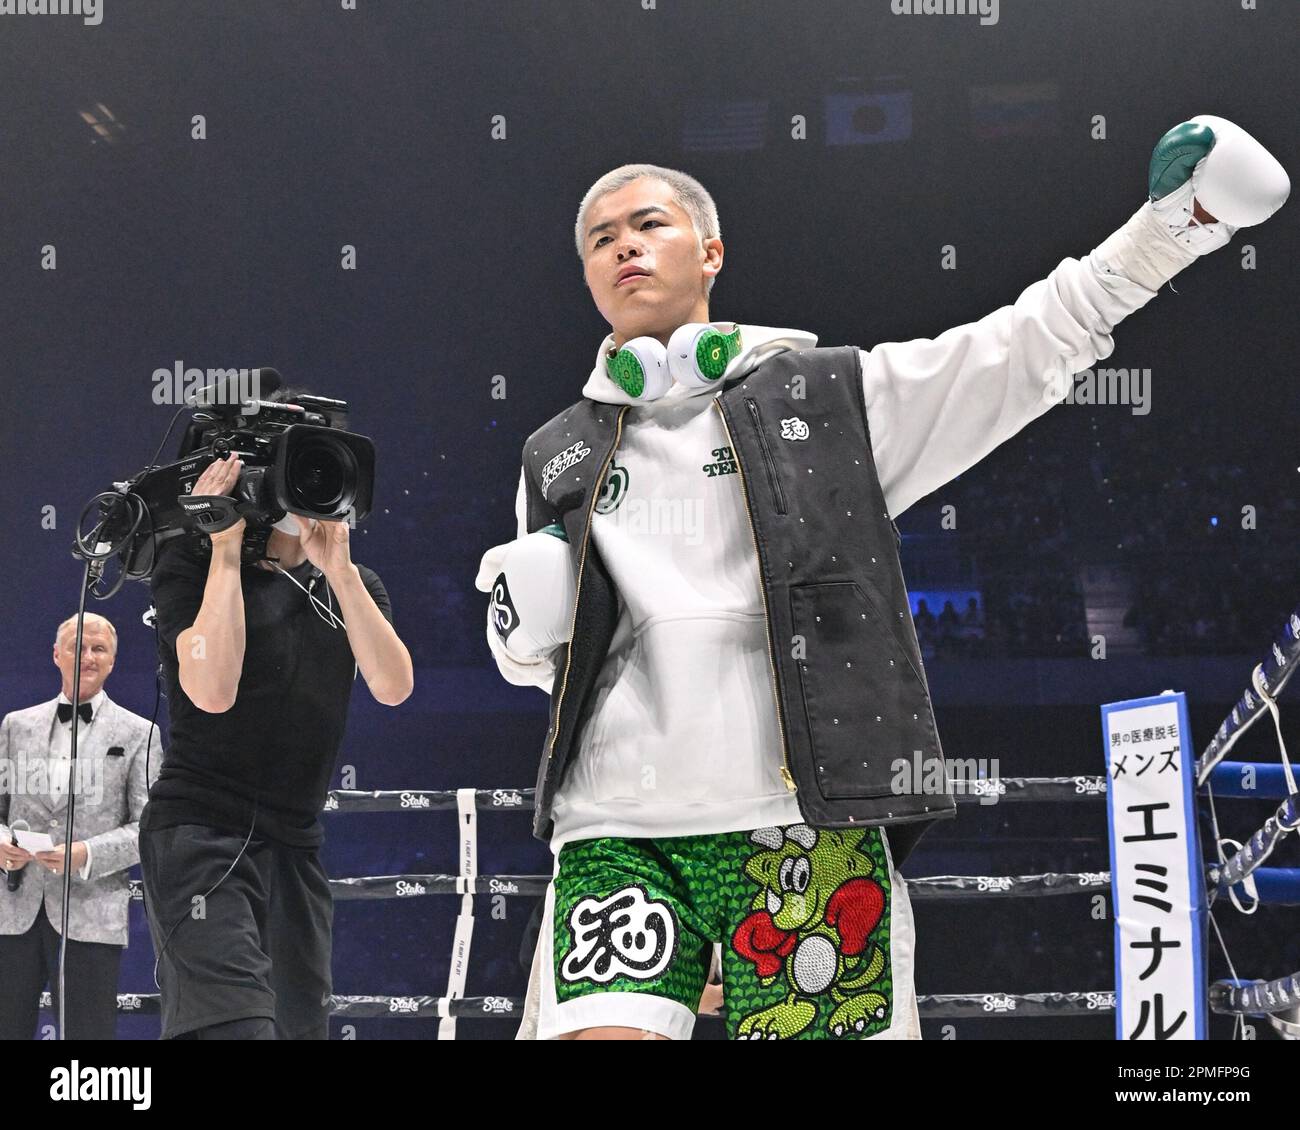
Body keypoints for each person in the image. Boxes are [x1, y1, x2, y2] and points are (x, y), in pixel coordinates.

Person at [478, 116, 1288, 1040]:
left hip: (799, 821)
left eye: (648, 224)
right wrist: (524, 644)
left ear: (711, 251)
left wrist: (1173, 226)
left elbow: (1017, 349)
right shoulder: (558, 453)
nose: (623, 244)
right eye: (600, 238)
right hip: (615, 823)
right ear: (586, 274)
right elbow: (550, 666)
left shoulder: (823, 401)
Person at [139, 410, 414, 1040]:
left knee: (298, 1031)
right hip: (201, 833)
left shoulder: (355, 584)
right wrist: (225, 548)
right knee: (236, 1030)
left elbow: (394, 686)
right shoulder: (190, 563)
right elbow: (210, 691)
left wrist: (340, 569)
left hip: (295, 844)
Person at [0, 613, 158, 1039]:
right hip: (13, 910)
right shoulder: (16, 725)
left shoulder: (140, 733)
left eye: (98, 649)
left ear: (112, 661)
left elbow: (148, 828)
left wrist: (86, 854)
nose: (87, 657)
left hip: (91, 912)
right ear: (56, 654)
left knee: (89, 1040)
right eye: (77, 647)